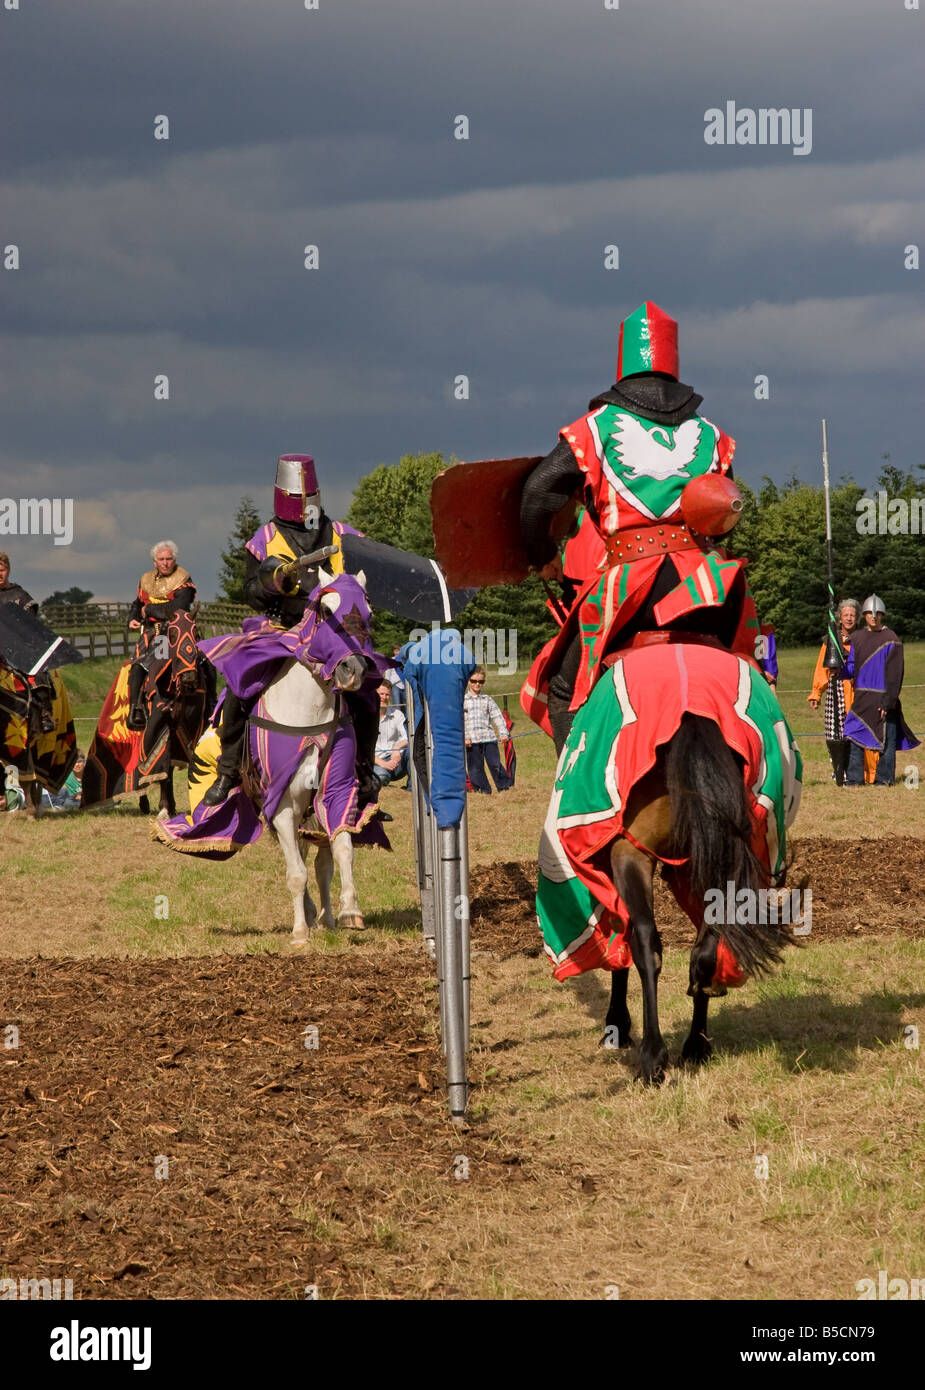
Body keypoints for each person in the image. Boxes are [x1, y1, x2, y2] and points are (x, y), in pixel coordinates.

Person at [519, 302, 760, 752]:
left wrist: (543, 557)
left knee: (565, 691)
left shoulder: (597, 428)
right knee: (750, 672)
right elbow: (721, 514)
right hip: (705, 589)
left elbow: (538, 492)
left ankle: (578, 803)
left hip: (630, 591)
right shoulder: (714, 435)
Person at [203, 453, 369, 805]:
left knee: (367, 689)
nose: (306, 504)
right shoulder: (264, 540)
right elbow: (250, 592)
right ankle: (228, 770)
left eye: (310, 497)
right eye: (299, 498)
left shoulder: (344, 536)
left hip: (333, 632)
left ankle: (365, 771)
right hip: (281, 629)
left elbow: (358, 588)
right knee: (239, 684)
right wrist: (271, 584)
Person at [843, 595, 919, 786]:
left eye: (877, 614)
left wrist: (888, 701)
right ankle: (854, 779)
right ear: (865, 615)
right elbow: (852, 666)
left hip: (883, 698)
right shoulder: (857, 637)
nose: (874, 616)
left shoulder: (891, 639)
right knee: (854, 735)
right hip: (862, 697)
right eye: (869, 613)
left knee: (887, 741)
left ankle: (884, 779)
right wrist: (839, 669)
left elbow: (895, 675)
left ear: (882, 615)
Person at [127, 541, 197, 729]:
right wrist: (133, 617)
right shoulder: (146, 579)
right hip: (154, 634)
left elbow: (177, 608)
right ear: (155, 562)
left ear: (175, 560)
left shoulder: (183, 580)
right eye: (161, 559)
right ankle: (136, 709)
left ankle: (212, 701)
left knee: (206, 659)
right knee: (138, 664)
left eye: (169, 559)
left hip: (177, 631)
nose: (165, 563)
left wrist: (148, 609)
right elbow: (137, 604)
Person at [807, 598, 873, 786]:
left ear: (858, 618)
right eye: (846, 615)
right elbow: (822, 669)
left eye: (852, 615)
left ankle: (859, 773)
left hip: (858, 692)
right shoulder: (831, 640)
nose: (849, 618)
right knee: (835, 734)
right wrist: (816, 693)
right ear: (839, 618)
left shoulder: (863, 639)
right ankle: (839, 772)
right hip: (836, 692)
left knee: (857, 733)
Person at [0, 552, 56, 733]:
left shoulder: (19, 596)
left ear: (8, 570)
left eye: (1, 570)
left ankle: (44, 712)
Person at [464, 667, 511, 793]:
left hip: (489, 739)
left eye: (481, 682)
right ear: (468, 681)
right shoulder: (463, 701)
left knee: (495, 764)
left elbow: (497, 717)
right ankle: (483, 790)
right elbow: (461, 721)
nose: (477, 684)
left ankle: (505, 788)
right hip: (471, 741)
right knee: (475, 768)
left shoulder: (487, 699)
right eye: (474, 681)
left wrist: (503, 733)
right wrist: (465, 737)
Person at [372, 681, 409, 797]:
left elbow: (407, 738)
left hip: (397, 761)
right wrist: (383, 763)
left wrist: (397, 748)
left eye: (387, 694)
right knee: (381, 777)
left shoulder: (398, 714)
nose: (384, 697)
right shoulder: (366, 717)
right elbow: (362, 749)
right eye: (381, 694)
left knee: (412, 751)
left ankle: (411, 788)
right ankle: (383, 778)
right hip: (377, 762)